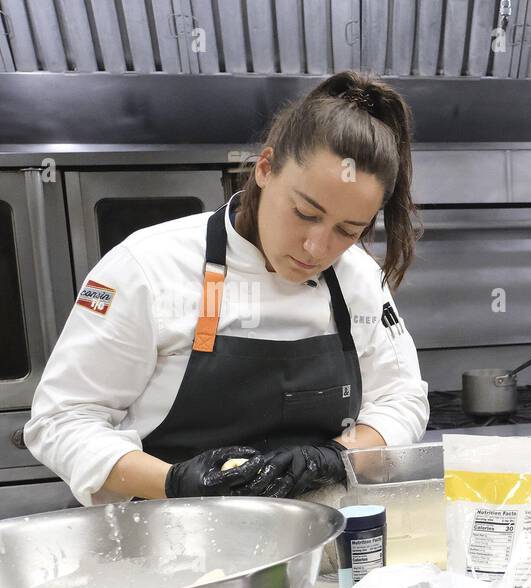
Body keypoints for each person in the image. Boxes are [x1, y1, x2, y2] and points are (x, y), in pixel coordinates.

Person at [24, 71, 430, 505]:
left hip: (312, 539)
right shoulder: (148, 267)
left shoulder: (358, 278)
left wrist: (334, 458)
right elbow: (63, 420)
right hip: (167, 542)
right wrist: (173, 482)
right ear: (265, 168)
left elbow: (401, 399)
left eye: (348, 230)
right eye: (305, 213)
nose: (317, 247)